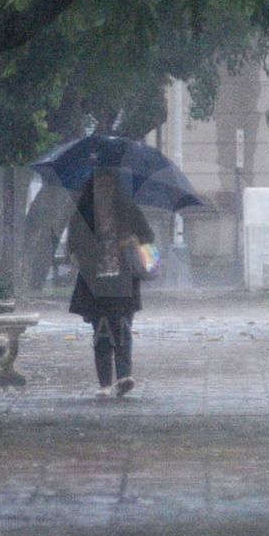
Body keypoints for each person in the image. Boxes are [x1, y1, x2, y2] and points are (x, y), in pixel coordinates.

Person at [67, 167, 155, 398]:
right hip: (95, 283)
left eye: (108, 184)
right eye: (99, 185)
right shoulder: (83, 212)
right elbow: (72, 246)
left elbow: (147, 237)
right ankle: (105, 383)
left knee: (123, 328)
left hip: (123, 280)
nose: (104, 190)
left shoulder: (127, 209)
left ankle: (124, 376)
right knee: (101, 332)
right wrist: (82, 252)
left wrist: (131, 240)